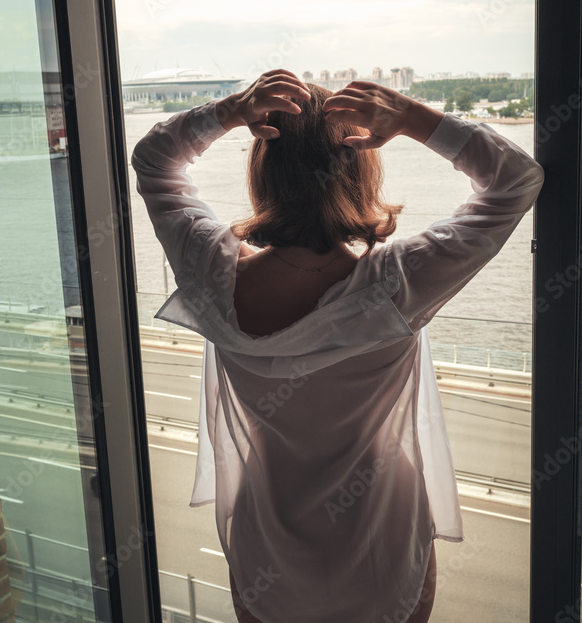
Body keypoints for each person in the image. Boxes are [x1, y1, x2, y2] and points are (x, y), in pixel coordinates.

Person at [131, 69, 544, 623]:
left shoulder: (212, 276)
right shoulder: (396, 285)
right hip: (379, 527)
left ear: (263, 174)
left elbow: (155, 161)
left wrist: (229, 112)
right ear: (360, 172)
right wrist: (415, 118)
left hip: (265, 529)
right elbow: (515, 180)